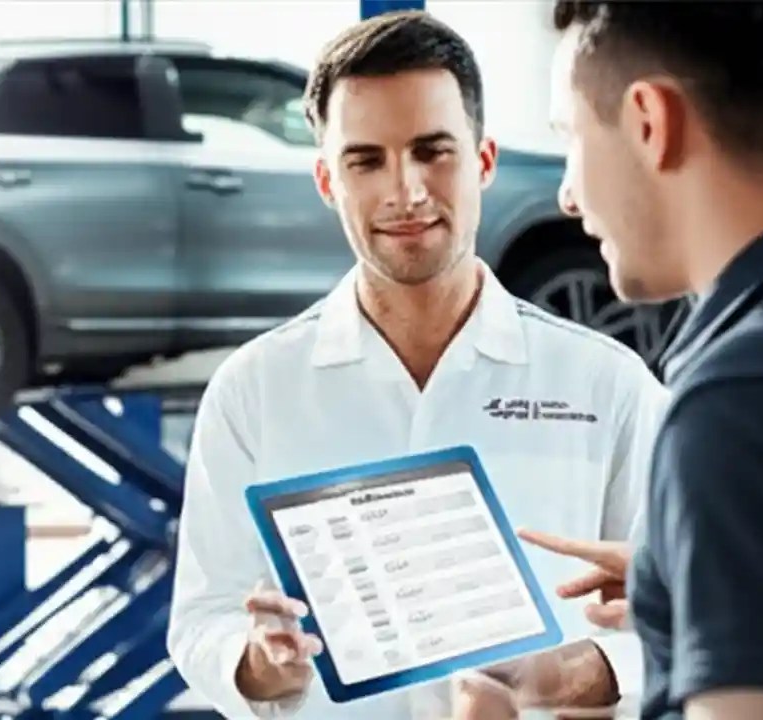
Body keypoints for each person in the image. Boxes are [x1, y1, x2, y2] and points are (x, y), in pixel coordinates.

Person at [165, 10, 668, 719]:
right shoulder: (253, 391)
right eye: (366, 161)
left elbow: (688, 619)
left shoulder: (606, 386)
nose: (405, 191)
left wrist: (568, 674)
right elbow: (200, 621)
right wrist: (259, 664)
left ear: (484, 161)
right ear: (327, 180)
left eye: (433, 152)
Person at [513, 3, 763, 719]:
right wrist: (694, 587)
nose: (568, 196)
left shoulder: (734, 407)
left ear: (648, 123)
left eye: (572, 139)